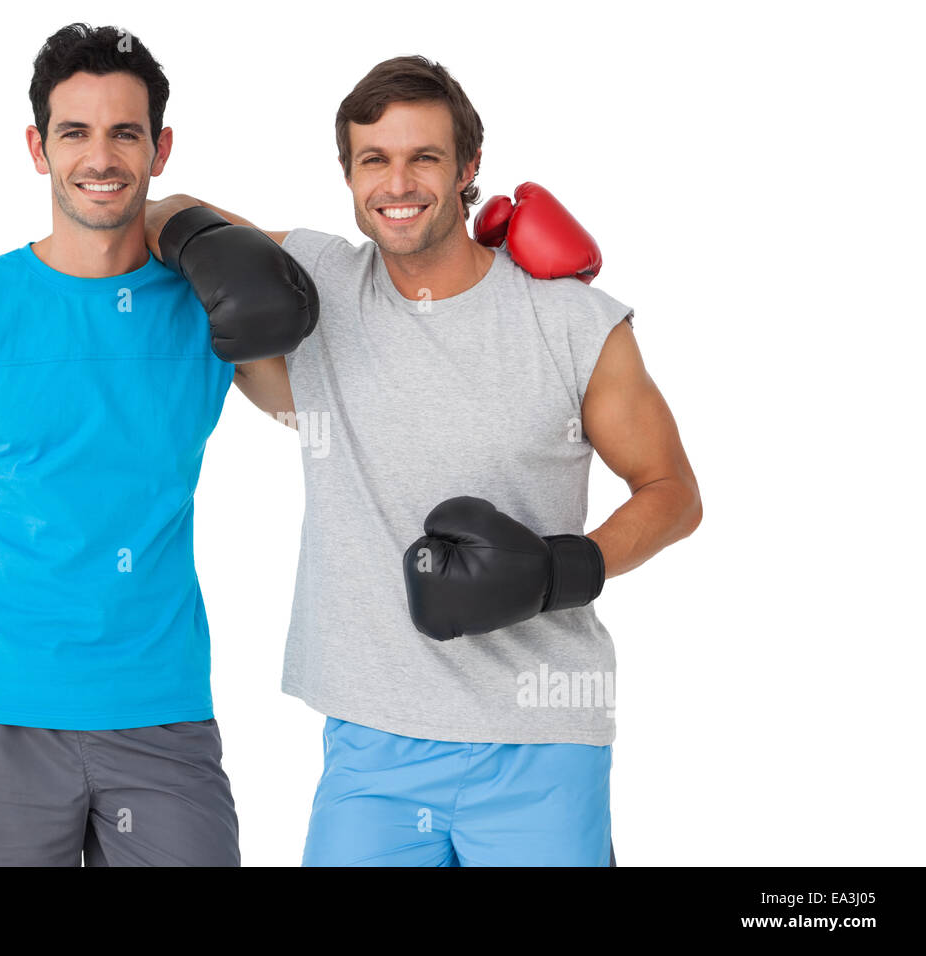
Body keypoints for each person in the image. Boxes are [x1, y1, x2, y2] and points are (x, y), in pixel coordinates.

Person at [145, 55, 702, 866]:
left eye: (424, 158)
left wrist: (560, 571)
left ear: (470, 168)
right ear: (348, 173)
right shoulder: (325, 279)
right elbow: (165, 206)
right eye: (374, 159)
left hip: (539, 740)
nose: (396, 182)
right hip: (372, 750)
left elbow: (674, 493)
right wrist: (204, 248)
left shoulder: (572, 322)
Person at [0, 22, 316, 867]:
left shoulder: (206, 307)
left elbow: (319, 393)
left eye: (126, 133)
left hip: (160, 710)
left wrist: (186, 220)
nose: (102, 156)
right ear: (37, 147)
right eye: (76, 133)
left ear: (161, 148)